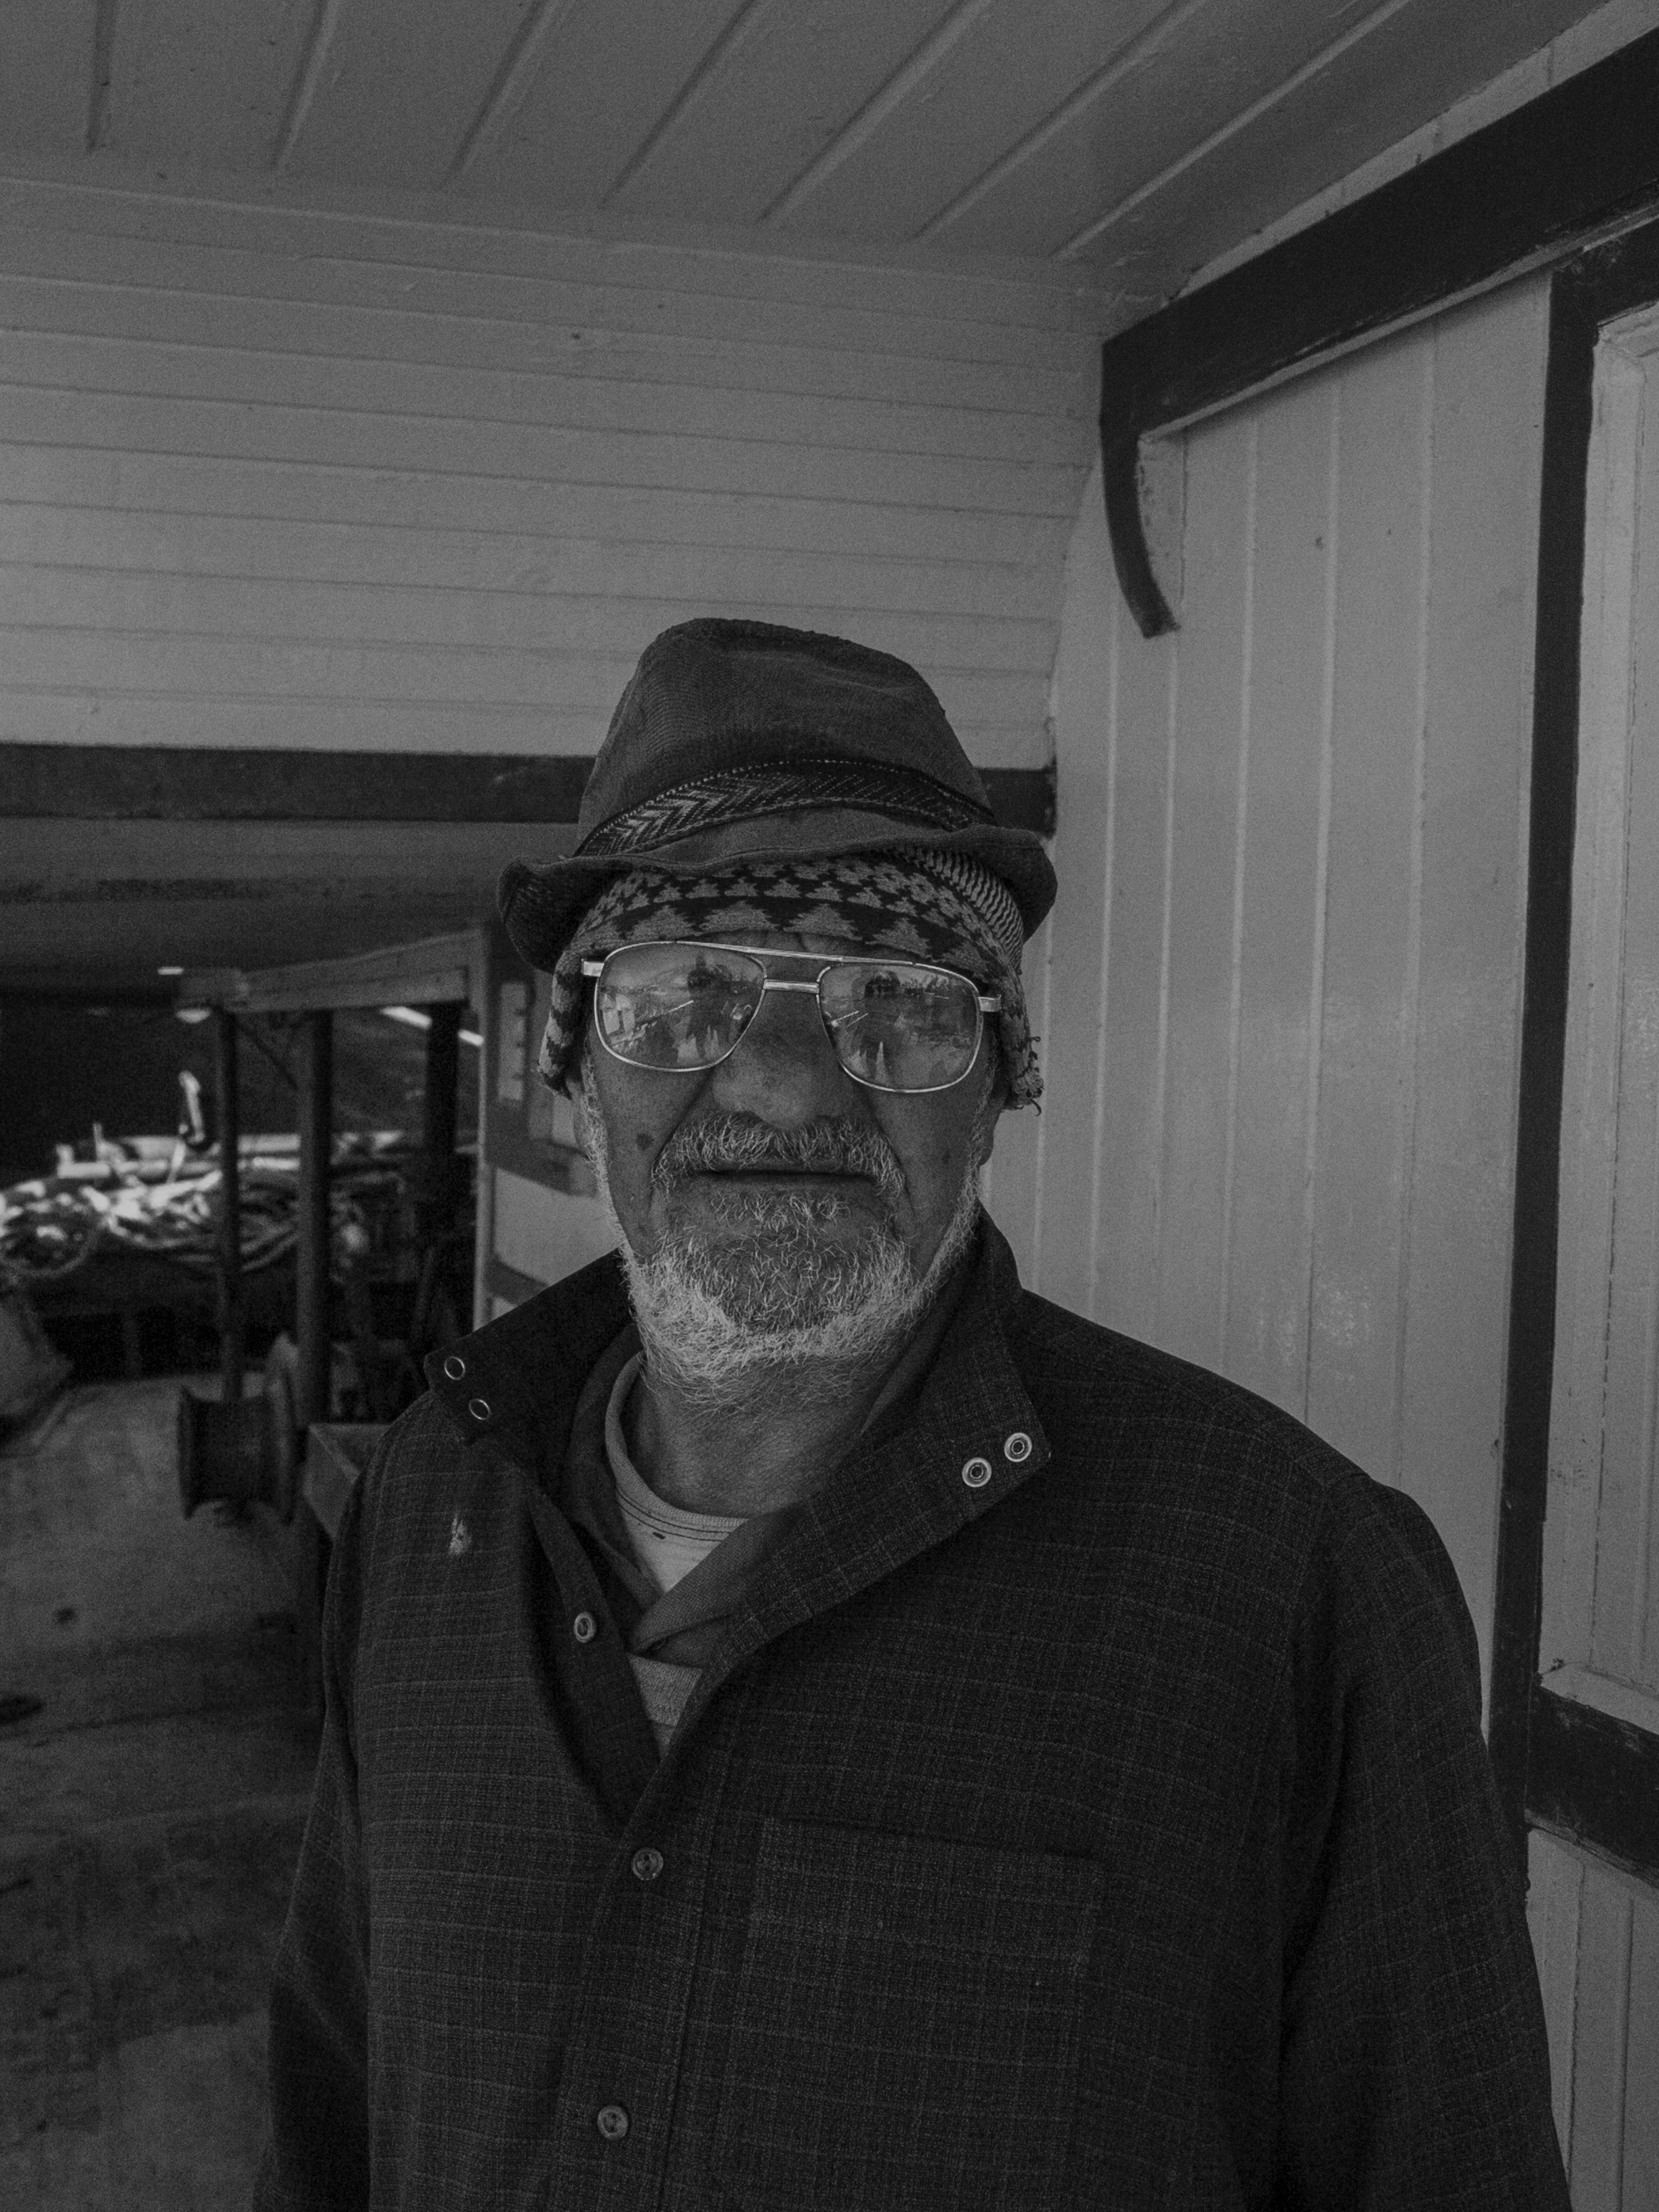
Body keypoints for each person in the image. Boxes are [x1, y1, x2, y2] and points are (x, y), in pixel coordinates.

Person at [257, 619, 1570, 2211]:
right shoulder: (424, 1513)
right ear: (575, 1078)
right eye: (685, 1001)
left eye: (896, 1005)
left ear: (999, 1084)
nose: (786, 1082)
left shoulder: (1296, 1593)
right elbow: (333, 2112)